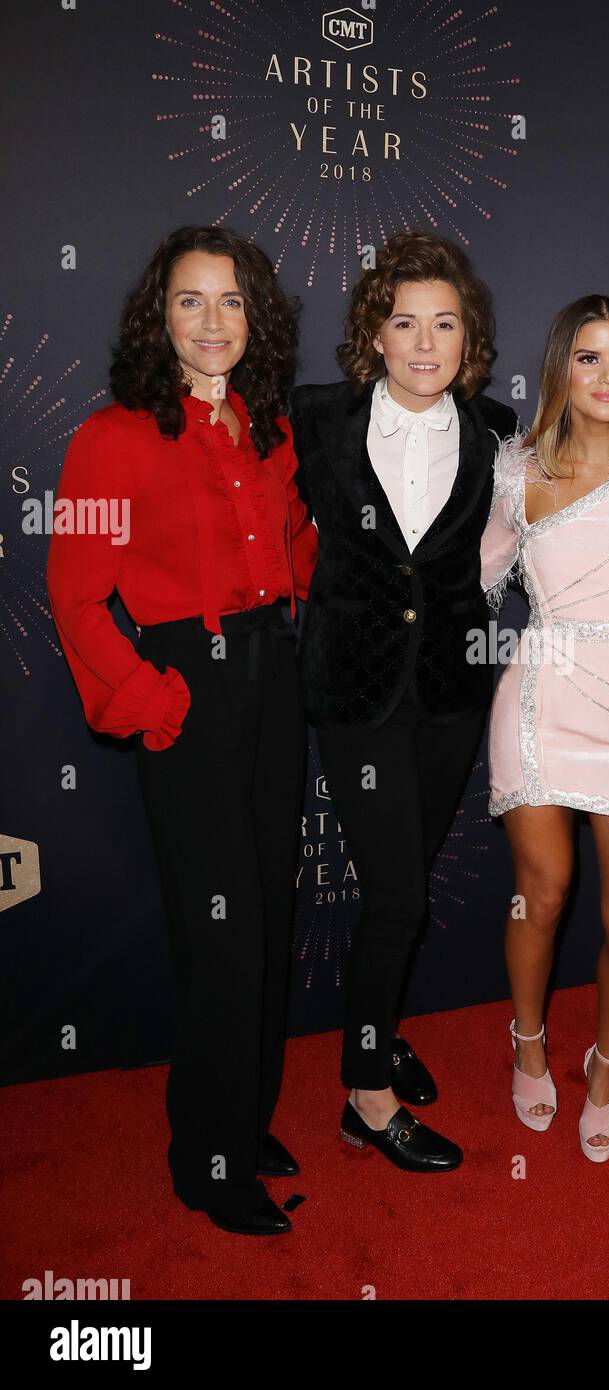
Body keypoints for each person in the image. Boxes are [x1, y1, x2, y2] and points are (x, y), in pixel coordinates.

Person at [47, 226, 318, 1235]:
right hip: (187, 691)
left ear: (257, 316)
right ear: (157, 318)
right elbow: (75, 598)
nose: (212, 321)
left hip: (272, 679)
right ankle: (207, 1159)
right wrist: (152, 700)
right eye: (190, 301)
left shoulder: (269, 426)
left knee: (271, 919)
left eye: (231, 300)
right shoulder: (109, 438)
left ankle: (244, 1120)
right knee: (223, 933)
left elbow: (299, 546)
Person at [290, 230, 517, 1174]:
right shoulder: (313, 419)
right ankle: (365, 1097)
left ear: (470, 337)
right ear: (373, 334)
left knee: (406, 886)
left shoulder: (499, 430)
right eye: (405, 322)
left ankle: (378, 1031)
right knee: (396, 897)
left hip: (450, 693)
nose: (426, 343)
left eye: (446, 324)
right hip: (356, 690)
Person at [480, 296, 609, 1162]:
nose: (607, 377)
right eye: (589, 358)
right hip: (541, 700)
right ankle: (528, 1041)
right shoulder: (515, 467)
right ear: (561, 366)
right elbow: (465, 574)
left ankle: (606, 1068)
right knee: (544, 892)